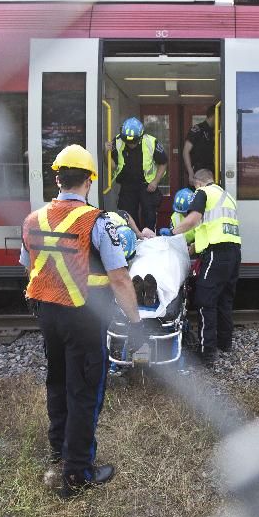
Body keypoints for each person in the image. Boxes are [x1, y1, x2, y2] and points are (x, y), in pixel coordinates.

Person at [19, 144, 148, 499]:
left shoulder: (33, 220)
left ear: (57, 177)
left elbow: (27, 265)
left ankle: (59, 449)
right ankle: (77, 474)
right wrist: (135, 322)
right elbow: (120, 277)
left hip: (47, 315)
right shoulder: (97, 220)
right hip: (85, 317)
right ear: (89, 181)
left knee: (57, 381)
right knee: (85, 390)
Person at [169, 168, 241, 368]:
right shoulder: (227, 196)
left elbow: (192, 220)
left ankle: (207, 353)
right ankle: (224, 344)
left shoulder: (203, 193)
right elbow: (210, 229)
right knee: (224, 300)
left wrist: (172, 232)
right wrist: (192, 248)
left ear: (197, 183)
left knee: (204, 301)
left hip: (216, 254)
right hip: (234, 253)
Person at [108, 117, 168, 232]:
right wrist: (107, 152)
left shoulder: (151, 142)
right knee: (126, 215)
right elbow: (112, 166)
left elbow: (163, 162)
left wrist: (155, 182)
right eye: (127, 141)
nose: (130, 144)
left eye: (133, 141)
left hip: (147, 185)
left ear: (140, 136)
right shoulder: (117, 141)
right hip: (127, 185)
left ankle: (149, 240)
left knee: (149, 215)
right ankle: (132, 240)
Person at [182, 112, 216, 185]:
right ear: (214, 115)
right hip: (199, 170)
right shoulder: (197, 129)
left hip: (211, 169)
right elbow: (186, 151)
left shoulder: (214, 132)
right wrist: (190, 172)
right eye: (220, 117)